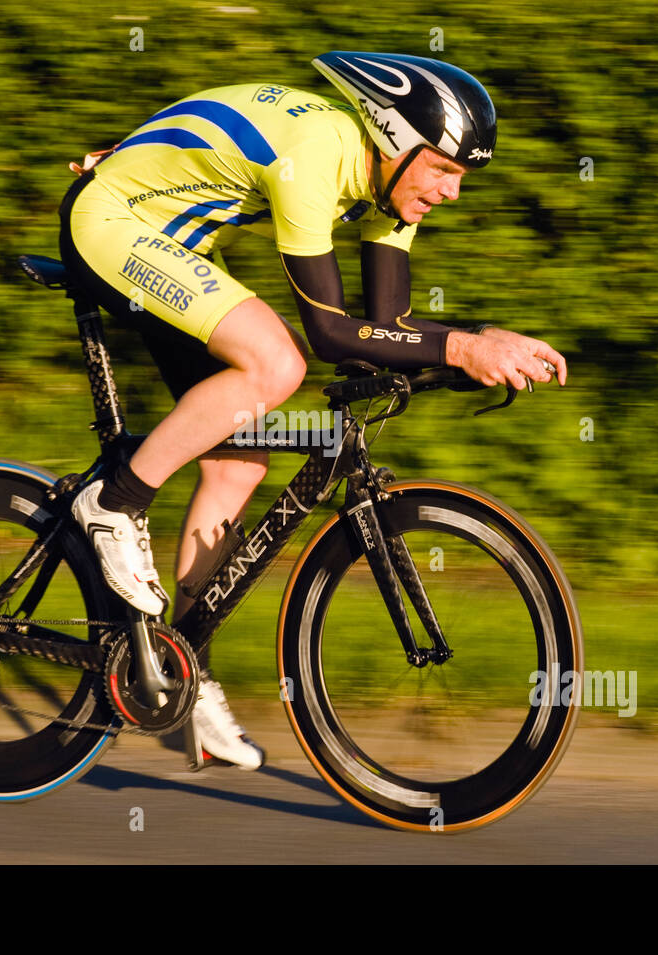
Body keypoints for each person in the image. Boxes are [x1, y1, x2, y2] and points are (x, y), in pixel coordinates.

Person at [58, 51, 568, 770]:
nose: (453, 192)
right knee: (280, 362)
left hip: (178, 242)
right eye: (445, 171)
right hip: (109, 224)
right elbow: (331, 331)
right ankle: (113, 503)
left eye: (462, 178)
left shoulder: (388, 194)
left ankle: (183, 673)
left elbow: (385, 329)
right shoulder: (316, 152)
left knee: (239, 458)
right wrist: (459, 349)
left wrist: (483, 342)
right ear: (394, 141)